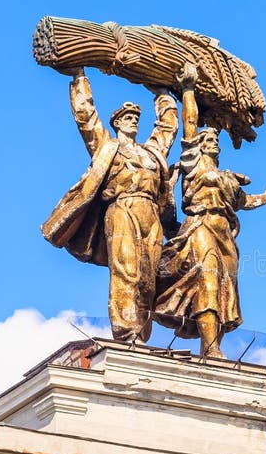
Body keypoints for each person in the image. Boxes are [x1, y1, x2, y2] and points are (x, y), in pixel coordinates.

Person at [155, 63, 266, 357]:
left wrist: (264, 199)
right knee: (208, 279)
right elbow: (190, 125)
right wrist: (188, 90)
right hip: (200, 227)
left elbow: (243, 201)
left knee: (226, 289)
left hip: (226, 234)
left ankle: (211, 346)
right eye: (208, 139)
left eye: (215, 140)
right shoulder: (194, 164)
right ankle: (211, 347)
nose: (213, 141)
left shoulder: (228, 178)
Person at [42, 69, 178, 342]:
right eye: (127, 118)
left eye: (135, 118)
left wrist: (163, 94)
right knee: (126, 271)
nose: (133, 121)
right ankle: (126, 332)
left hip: (151, 214)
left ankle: (141, 333)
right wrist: (79, 77)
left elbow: (167, 129)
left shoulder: (151, 152)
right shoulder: (108, 147)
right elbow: (86, 118)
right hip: (122, 210)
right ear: (116, 123)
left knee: (148, 278)